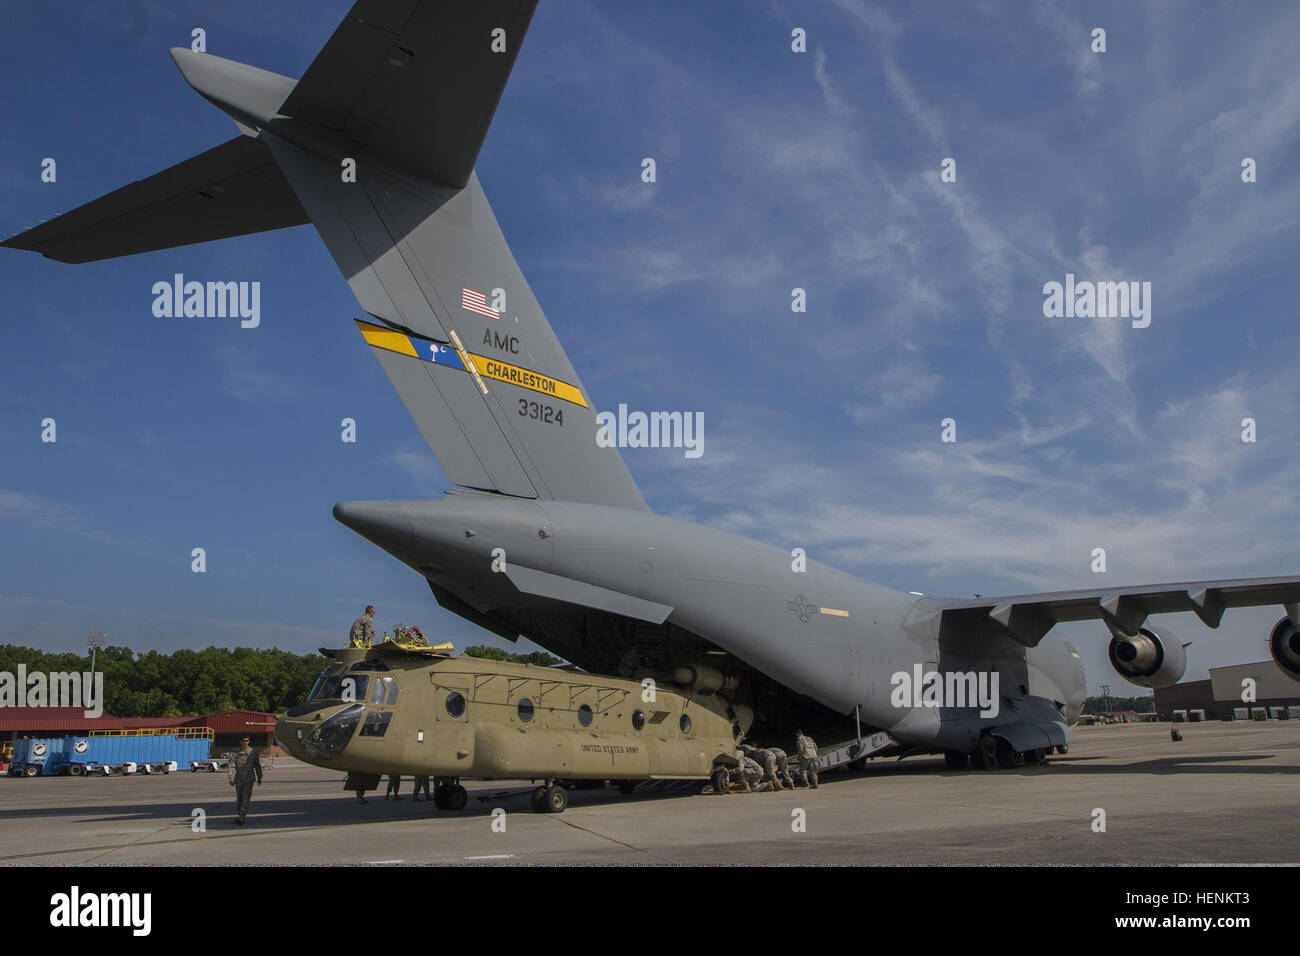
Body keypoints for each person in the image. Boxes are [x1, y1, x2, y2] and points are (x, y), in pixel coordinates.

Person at [229, 736, 263, 825]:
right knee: (239, 798)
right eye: (243, 741)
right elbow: (231, 765)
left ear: (249, 742)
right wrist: (231, 778)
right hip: (239, 779)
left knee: (246, 798)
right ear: (240, 742)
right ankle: (240, 814)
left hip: (249, 779)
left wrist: (259, 777)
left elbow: (257, 765)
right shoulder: (236, 753)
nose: (245, 742)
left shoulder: (253, 752)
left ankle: (242, 816)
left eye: (247, 741)